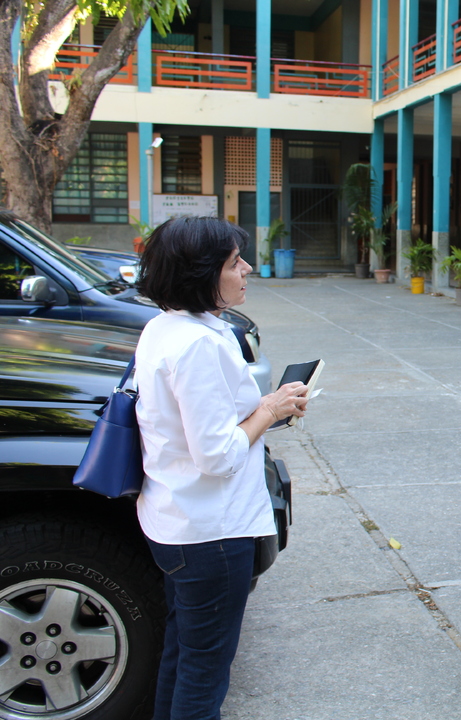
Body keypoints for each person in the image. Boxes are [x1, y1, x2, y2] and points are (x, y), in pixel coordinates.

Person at [135, 216, 309, 720]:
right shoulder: (198, 344)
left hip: (177, 522)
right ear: (201, 272)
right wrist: (270, 410)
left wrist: (268, 407)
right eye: (235, 263)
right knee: (204, 672)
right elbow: (217, 455)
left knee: (185, 653)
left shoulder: (167, 327)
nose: (248, 269)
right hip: (210, 533)